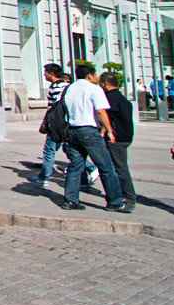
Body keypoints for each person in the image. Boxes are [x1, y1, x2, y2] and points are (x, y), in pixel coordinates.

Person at [59, 64, 126, 211]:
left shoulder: (69, 89)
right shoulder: (94, 89)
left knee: (75, 166)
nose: (96, 79)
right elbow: (101, 111)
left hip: (72, 130)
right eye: (95, 76)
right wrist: (108, 130)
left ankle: (70, 200)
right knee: (106, 167)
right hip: (89, 130)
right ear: (90, 75)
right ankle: (115, 201)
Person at [98, 72, 136, 212]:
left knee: (119, 168)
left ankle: (129, 197)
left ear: (105, 83)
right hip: (125, 136)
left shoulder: (109, 98)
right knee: (118, 166)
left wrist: (104, 131)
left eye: (100, 82)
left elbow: (109, 116)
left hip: (116, 138)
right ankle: (123, 194)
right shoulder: (121, 97)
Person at [29, 63, 68, 186]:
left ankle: (44, 176)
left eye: (45, 72)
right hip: (67, 123)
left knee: (49, 150)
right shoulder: (67, 86)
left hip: (56, 124)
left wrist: (46, 122)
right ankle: (89, 168)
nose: (44, 75)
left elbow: (53, 108)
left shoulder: (56, 88)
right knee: (68, 148)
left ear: (51, 74)